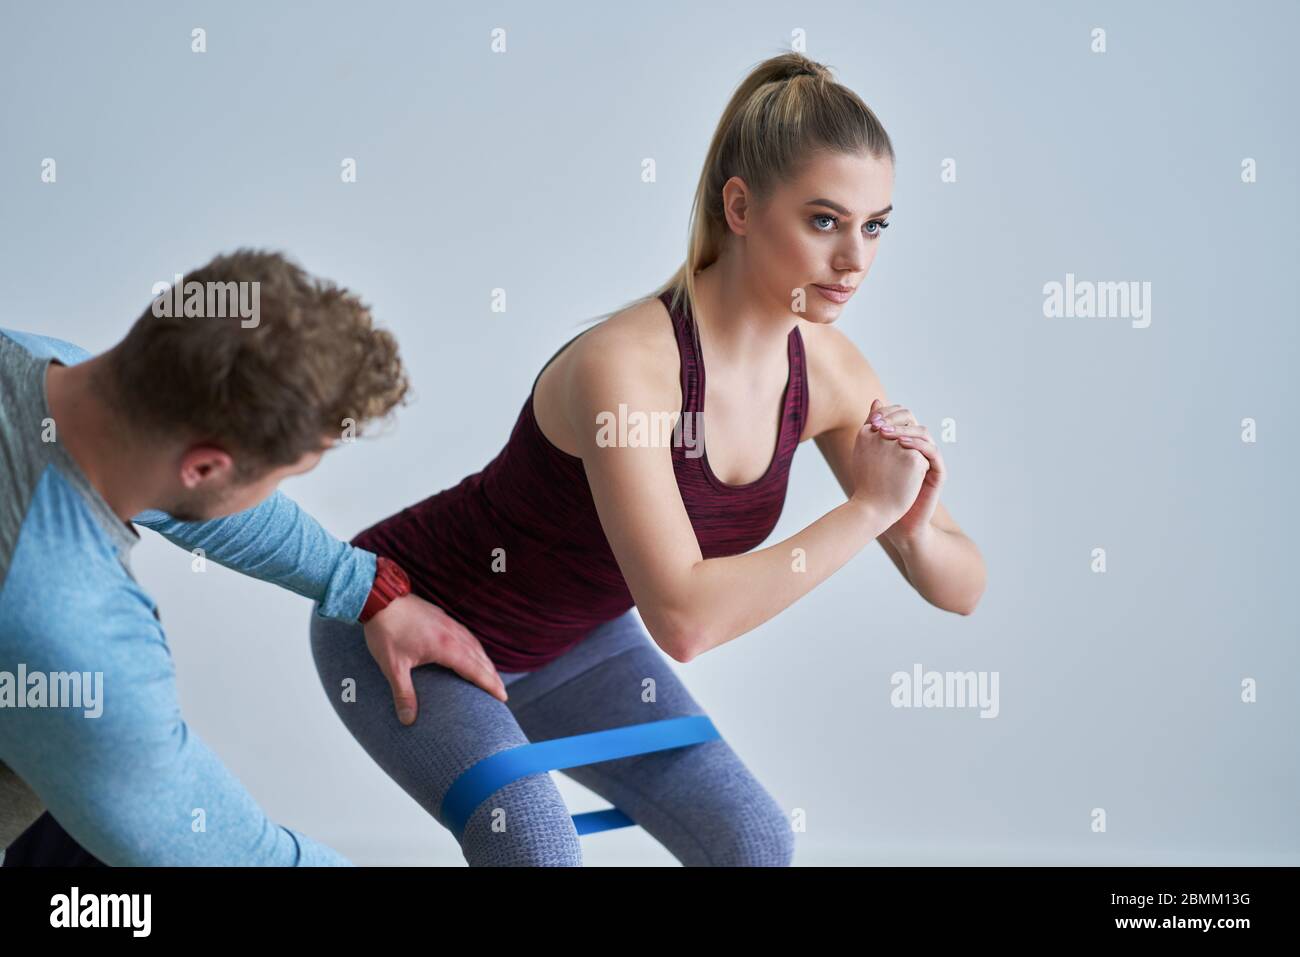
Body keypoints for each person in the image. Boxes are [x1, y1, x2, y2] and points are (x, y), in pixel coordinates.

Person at [307, 52, 987, 867]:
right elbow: (685, 621)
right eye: (824, 220)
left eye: (875, 224)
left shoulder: (832, 371)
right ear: (740, 206)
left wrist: (909, 518)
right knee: (538, 846)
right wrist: (865, 509)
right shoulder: (626, 367)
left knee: (755, 841)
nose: (856, 259)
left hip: (577, 643)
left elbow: (963, 589)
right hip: (410, 612)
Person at [0, 249, 506, 866]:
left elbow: (199, 496)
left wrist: (365, 586)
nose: (271, 492)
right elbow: (232, 857)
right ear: (207, 467)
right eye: (280, 476)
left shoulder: (38, 363)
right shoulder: (70, 626)